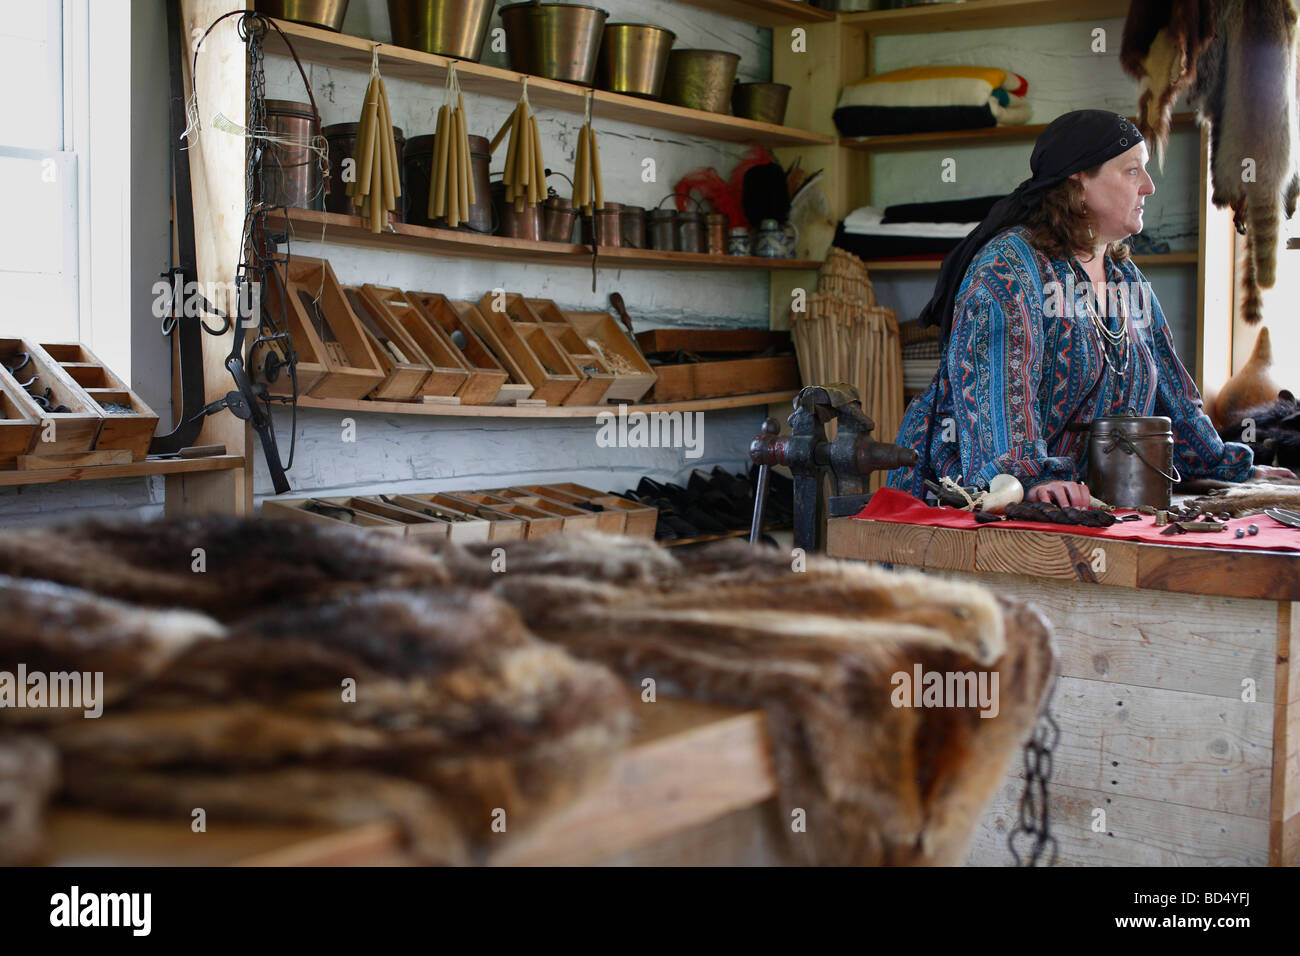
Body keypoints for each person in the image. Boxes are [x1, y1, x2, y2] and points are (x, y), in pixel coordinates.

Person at [887, 110, 1295, 507]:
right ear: (1079, 180)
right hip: (964, 502)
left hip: (1074, 503)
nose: (1149, 186)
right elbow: (998, 391)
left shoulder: (1125, 279)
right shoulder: (1009, 267)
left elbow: (1173, 397)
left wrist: (1230, 467)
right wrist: (1029, 479)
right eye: (1132, 171)